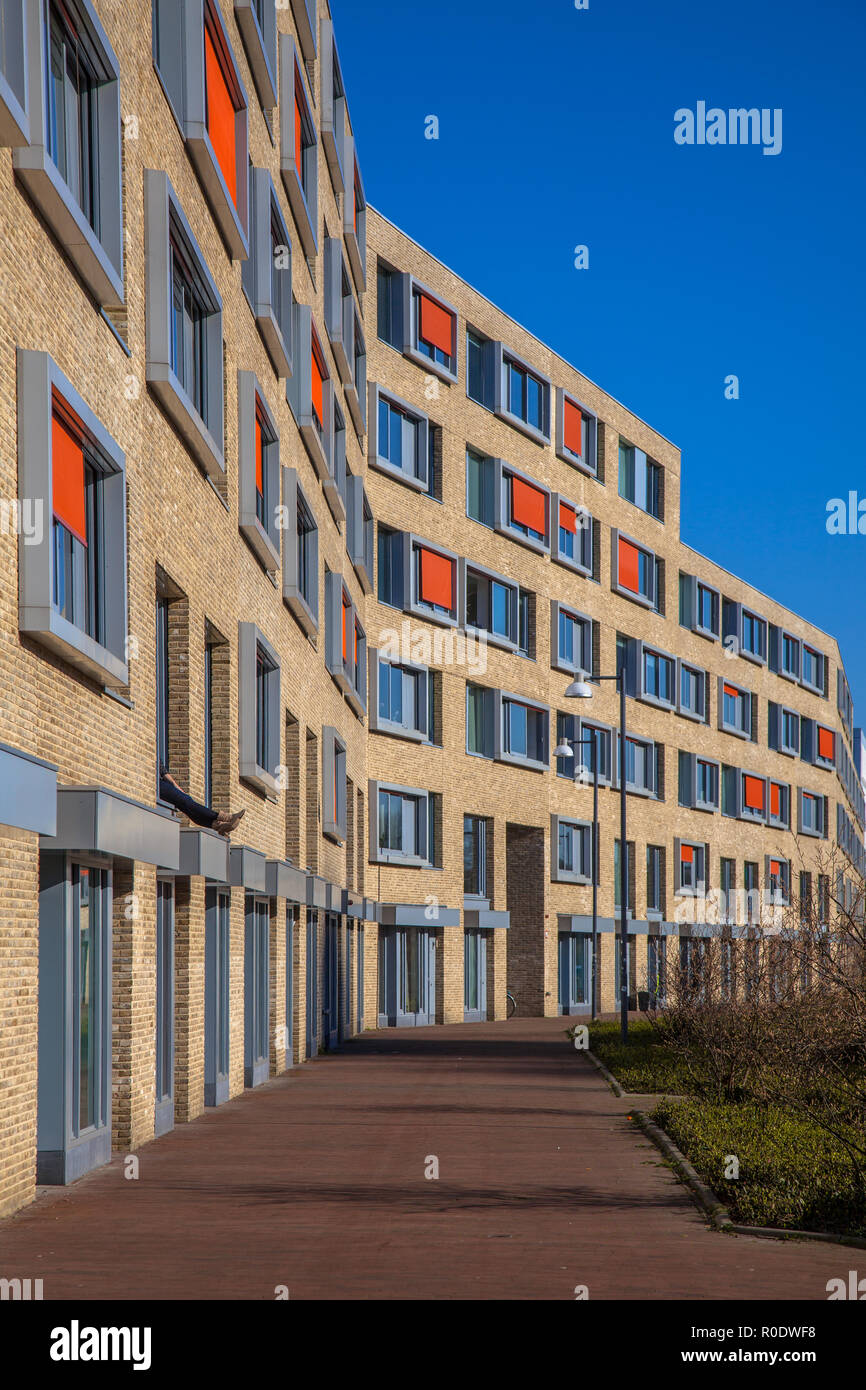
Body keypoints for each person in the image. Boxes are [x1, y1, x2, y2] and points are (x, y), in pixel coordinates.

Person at [159, 762, 245, 836]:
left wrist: (175, 786)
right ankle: (227, 818)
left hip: (160, 782)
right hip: (156, 783)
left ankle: (219, 826)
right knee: (187, 803)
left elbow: (162, 769)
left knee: (188, 807)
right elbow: (161, 769)